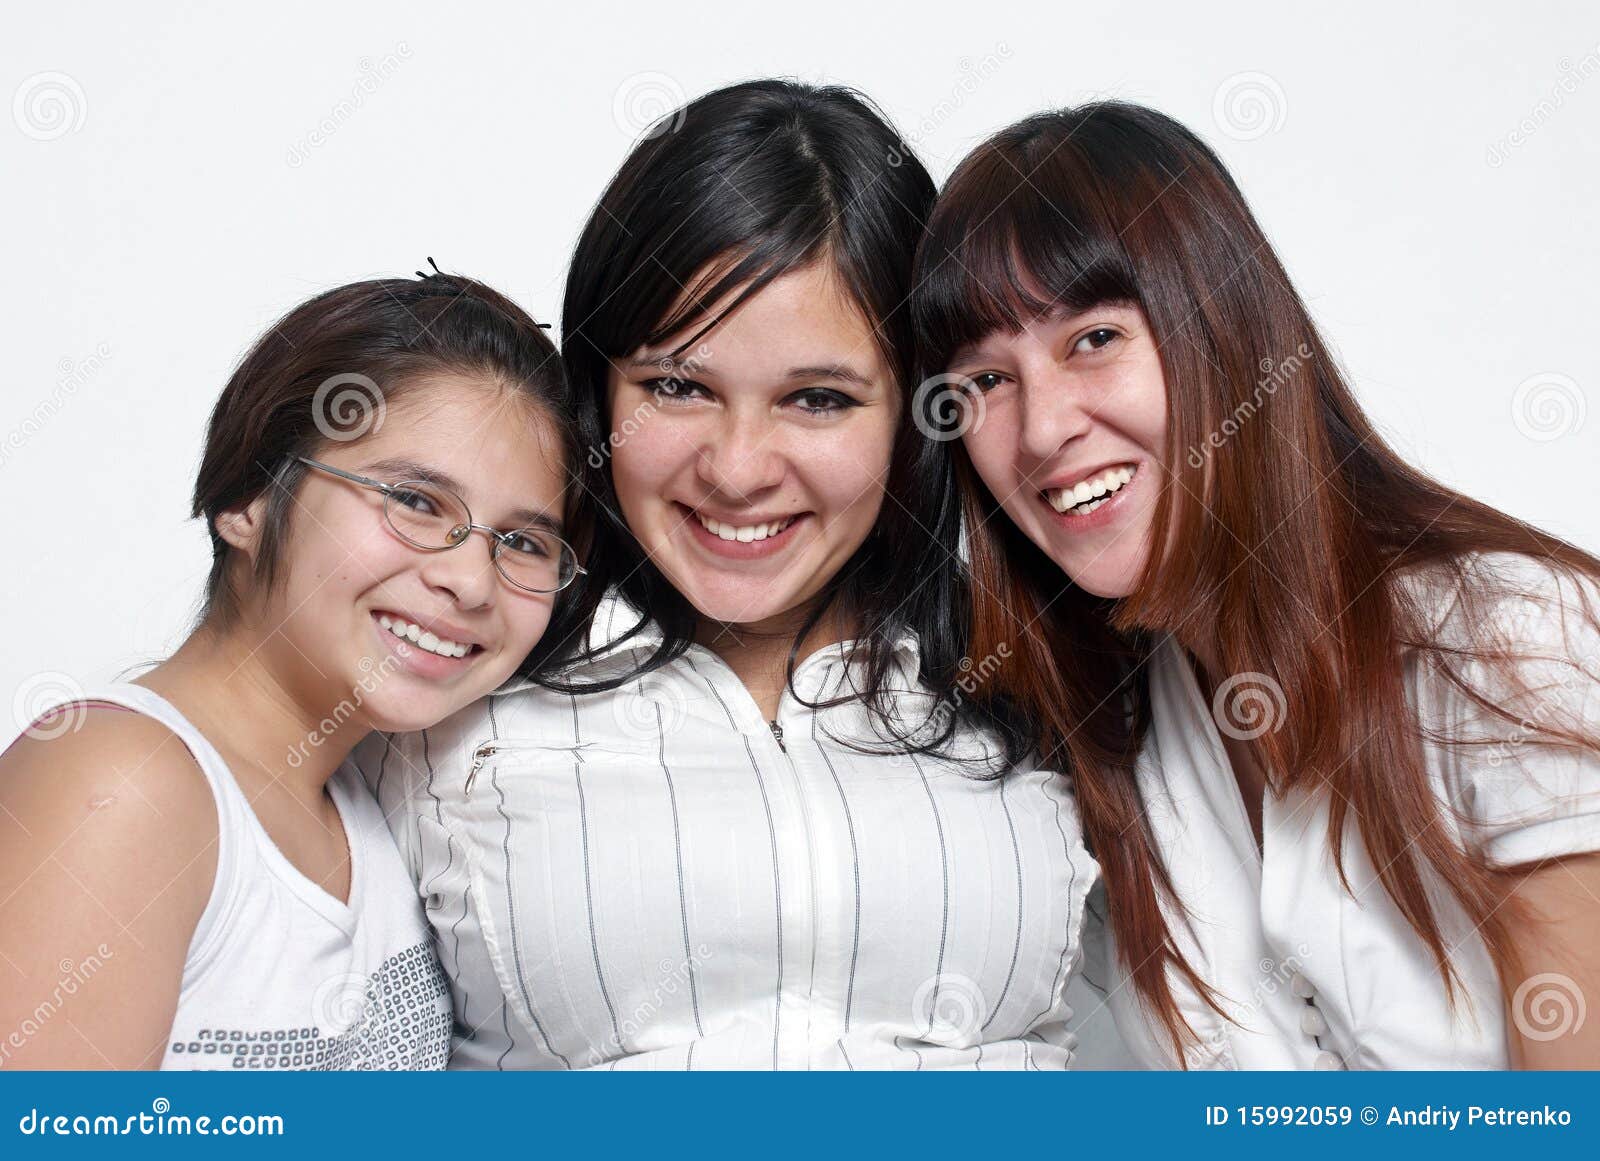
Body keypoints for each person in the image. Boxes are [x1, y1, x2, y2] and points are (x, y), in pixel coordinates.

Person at [355, 80, 1098, 1070]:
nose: (737, 469)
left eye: (820, 399)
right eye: (675, 386)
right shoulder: (452, 686)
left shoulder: (1054, 676)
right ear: (598, 390)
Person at [912, 101, 1600, 1069]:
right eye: (981, 381)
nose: (1039, 430)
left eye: (1094, 339)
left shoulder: (1506, 638)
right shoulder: (1106, 735)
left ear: (1221, 334)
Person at [0, 267, 586, 1069]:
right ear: (248, 499)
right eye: (416, 501)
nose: (472, 580)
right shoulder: (116, 785)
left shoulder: (388, 793)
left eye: (522, 542)